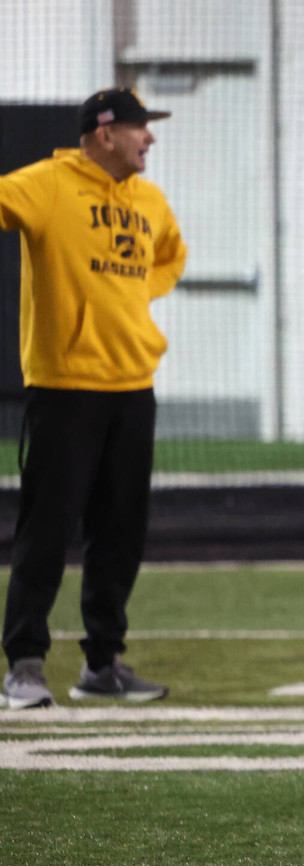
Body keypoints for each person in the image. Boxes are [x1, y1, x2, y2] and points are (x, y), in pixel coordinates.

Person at [0, 87, 186, 709]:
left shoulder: (150, 200)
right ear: (105, 133)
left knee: (120, 532)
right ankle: (24, 665)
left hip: (133, 388)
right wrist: (82, 313)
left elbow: (171, 256)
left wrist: (128, 309)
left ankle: (102, 665)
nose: (149, 140)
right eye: (140, 129)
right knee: (47, 530)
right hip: (64, 389)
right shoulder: (49, 184)